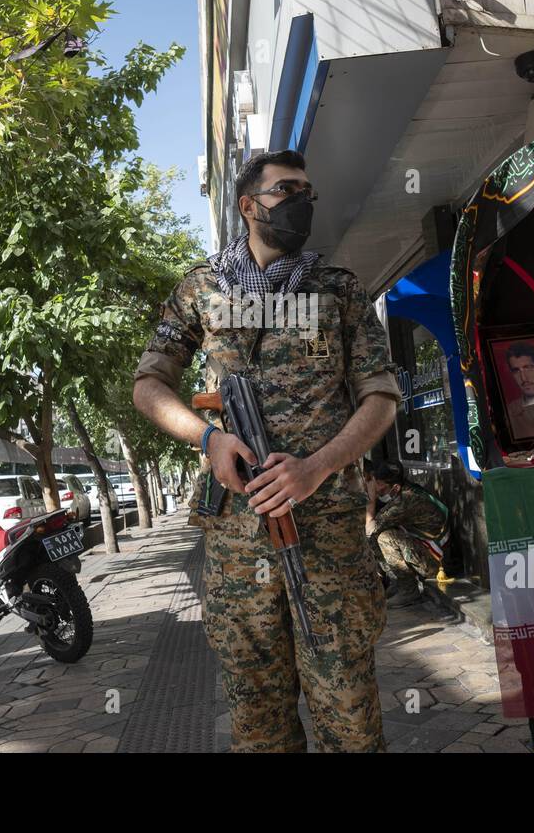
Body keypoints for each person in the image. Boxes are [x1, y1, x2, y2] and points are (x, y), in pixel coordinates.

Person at [132, 148, 401, 753]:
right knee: (257, 721)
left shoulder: (338, 290)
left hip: (328, 530)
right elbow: (149, 385)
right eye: (287, 191)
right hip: (237, 540)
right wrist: (209, 437)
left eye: (307, 191)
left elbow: (381, 396)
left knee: (350, 717)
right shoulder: (202, 290)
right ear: (248, 206)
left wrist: (316, 467)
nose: (302, 202)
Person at [364, 461, 448, 608]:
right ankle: (398, 583)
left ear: (395, 487)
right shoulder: (405, 492)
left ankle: (408, 590)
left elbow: (370, 530)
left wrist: (370, 498)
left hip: (437, 563)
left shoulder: (404, 501)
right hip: (429, 553)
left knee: (385, 538)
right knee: (384, 535)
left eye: (378, 484)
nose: (376, 489)